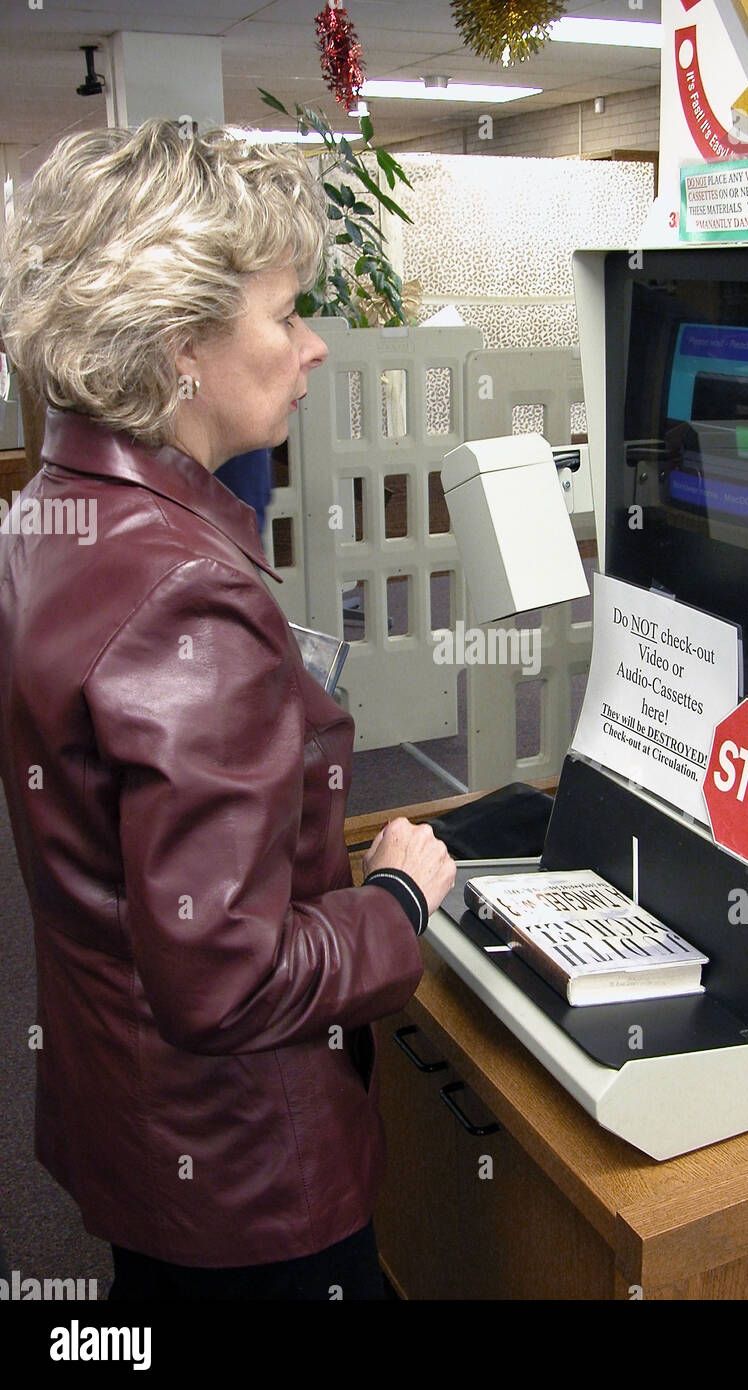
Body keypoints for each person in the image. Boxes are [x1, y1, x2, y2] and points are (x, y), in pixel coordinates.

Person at [0, 119, 455, 1300]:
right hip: (250, 1175)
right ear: (178, 346)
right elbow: (228, 977)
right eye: (284, 311)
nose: (310, 348)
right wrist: (396, 901)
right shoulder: (181, 590)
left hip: (139, 1123)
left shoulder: (54, 512)